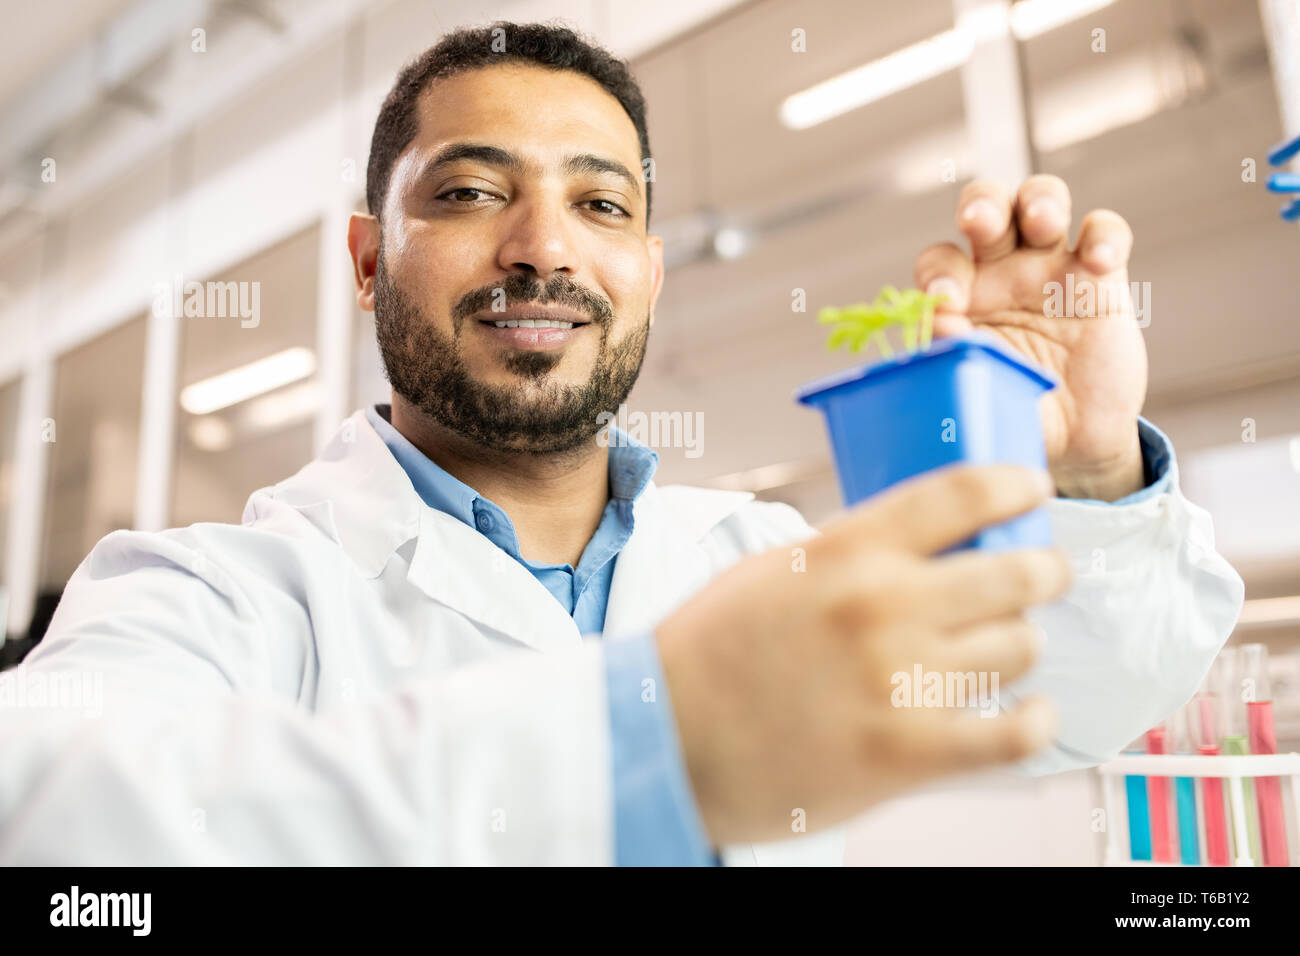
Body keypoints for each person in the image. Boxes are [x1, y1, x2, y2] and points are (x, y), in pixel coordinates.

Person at [0, 21, 1242, 865]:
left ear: (648, 273)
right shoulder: (214, 591)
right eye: (472, 191)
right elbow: (53, 825)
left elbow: (1072, 700)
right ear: (370, 261)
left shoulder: (770, 553)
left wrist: (1082, 471)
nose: (543, 246)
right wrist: (653, 743)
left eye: (599, 203)